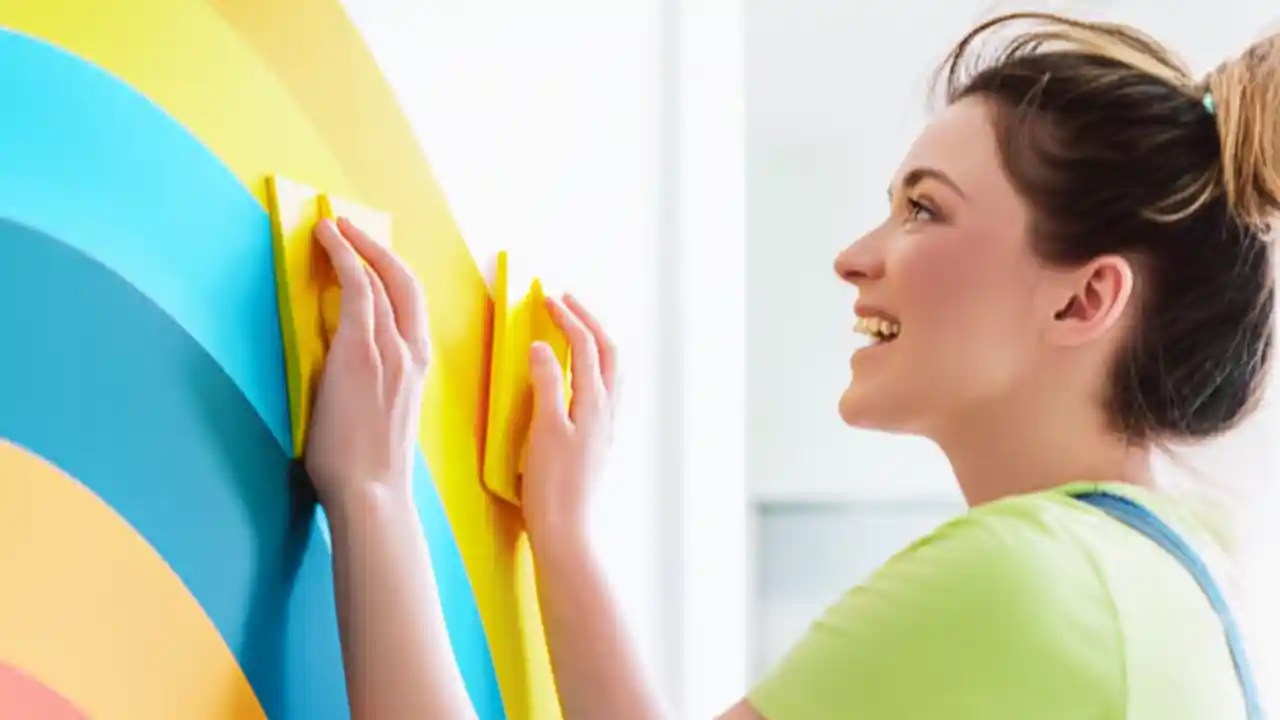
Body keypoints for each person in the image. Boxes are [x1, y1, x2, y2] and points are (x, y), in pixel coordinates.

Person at [302, 11, 1280, 720]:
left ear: (1082, 299)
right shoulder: (1163, 587)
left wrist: (373, 492)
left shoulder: (1027, 578)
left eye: (924, 209)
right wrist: (561, 538)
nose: (854, 257)